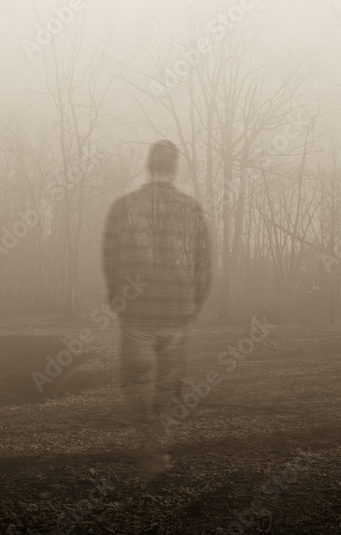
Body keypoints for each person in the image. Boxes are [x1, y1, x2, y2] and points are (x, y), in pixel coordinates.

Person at [101, 140, 212, 476]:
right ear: (173, 170)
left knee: (135, 382)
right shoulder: (192, 209)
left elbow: (110, 260)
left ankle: (148, 445)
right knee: (168, 384)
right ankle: (157, 447)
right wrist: (192, 305)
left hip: (137, 313)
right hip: (176, 312)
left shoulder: (122, 207)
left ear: (149, 167)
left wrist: (119, 299)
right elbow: (203, 268)